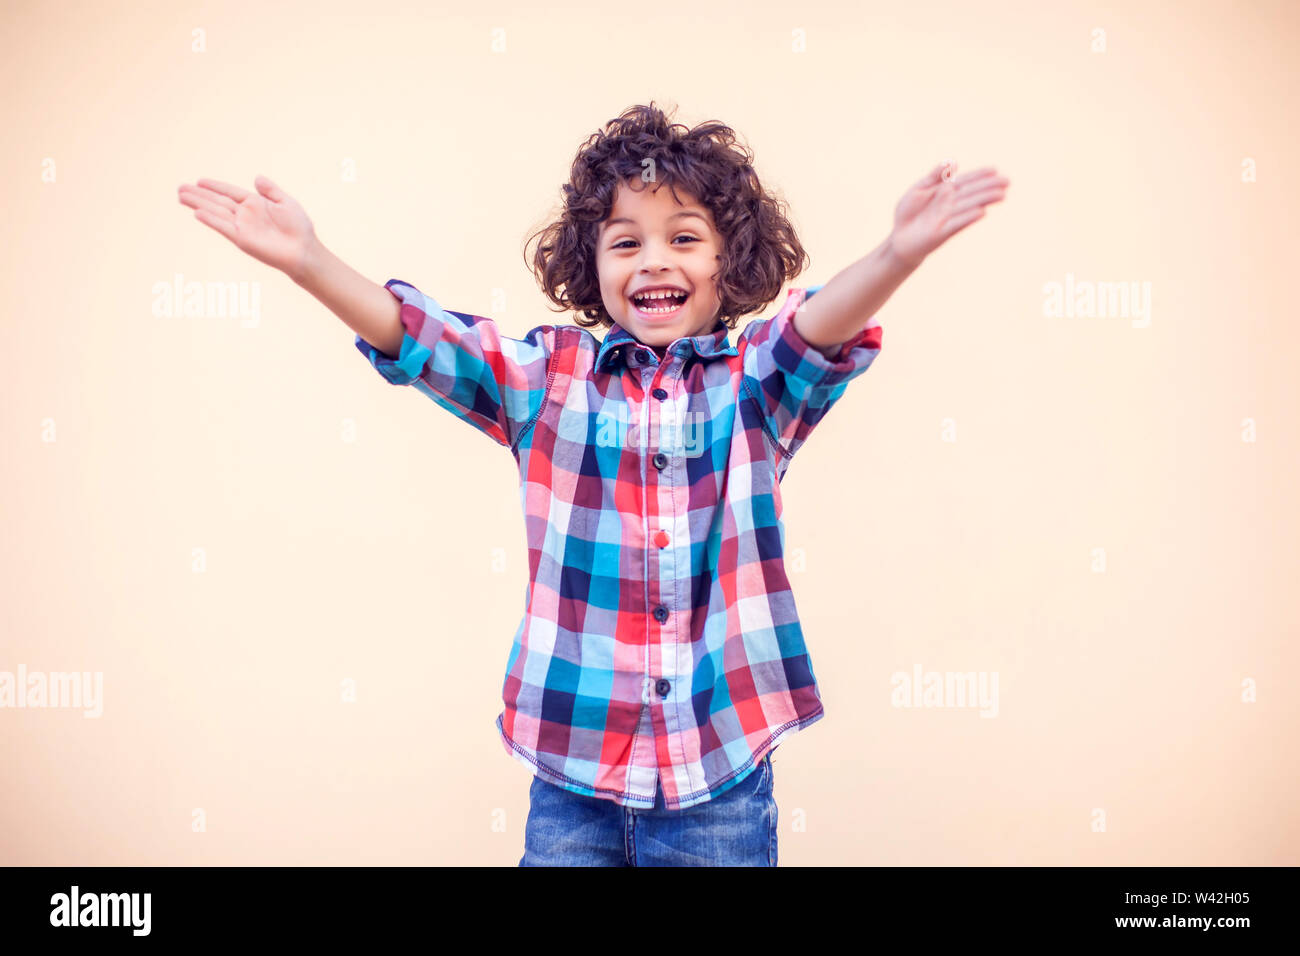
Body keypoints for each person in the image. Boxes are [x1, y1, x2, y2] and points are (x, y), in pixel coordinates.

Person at [177, 101, 1009, 866]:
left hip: (719, 778)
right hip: (572, 778)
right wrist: (309, 262)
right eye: (626, 241)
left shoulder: (754, 386)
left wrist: (899, 251)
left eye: (684, 238)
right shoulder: (549, 381)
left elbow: (814, 328)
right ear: (593, 263)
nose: (655, 260)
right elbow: (424, 339)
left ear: (728, 261)